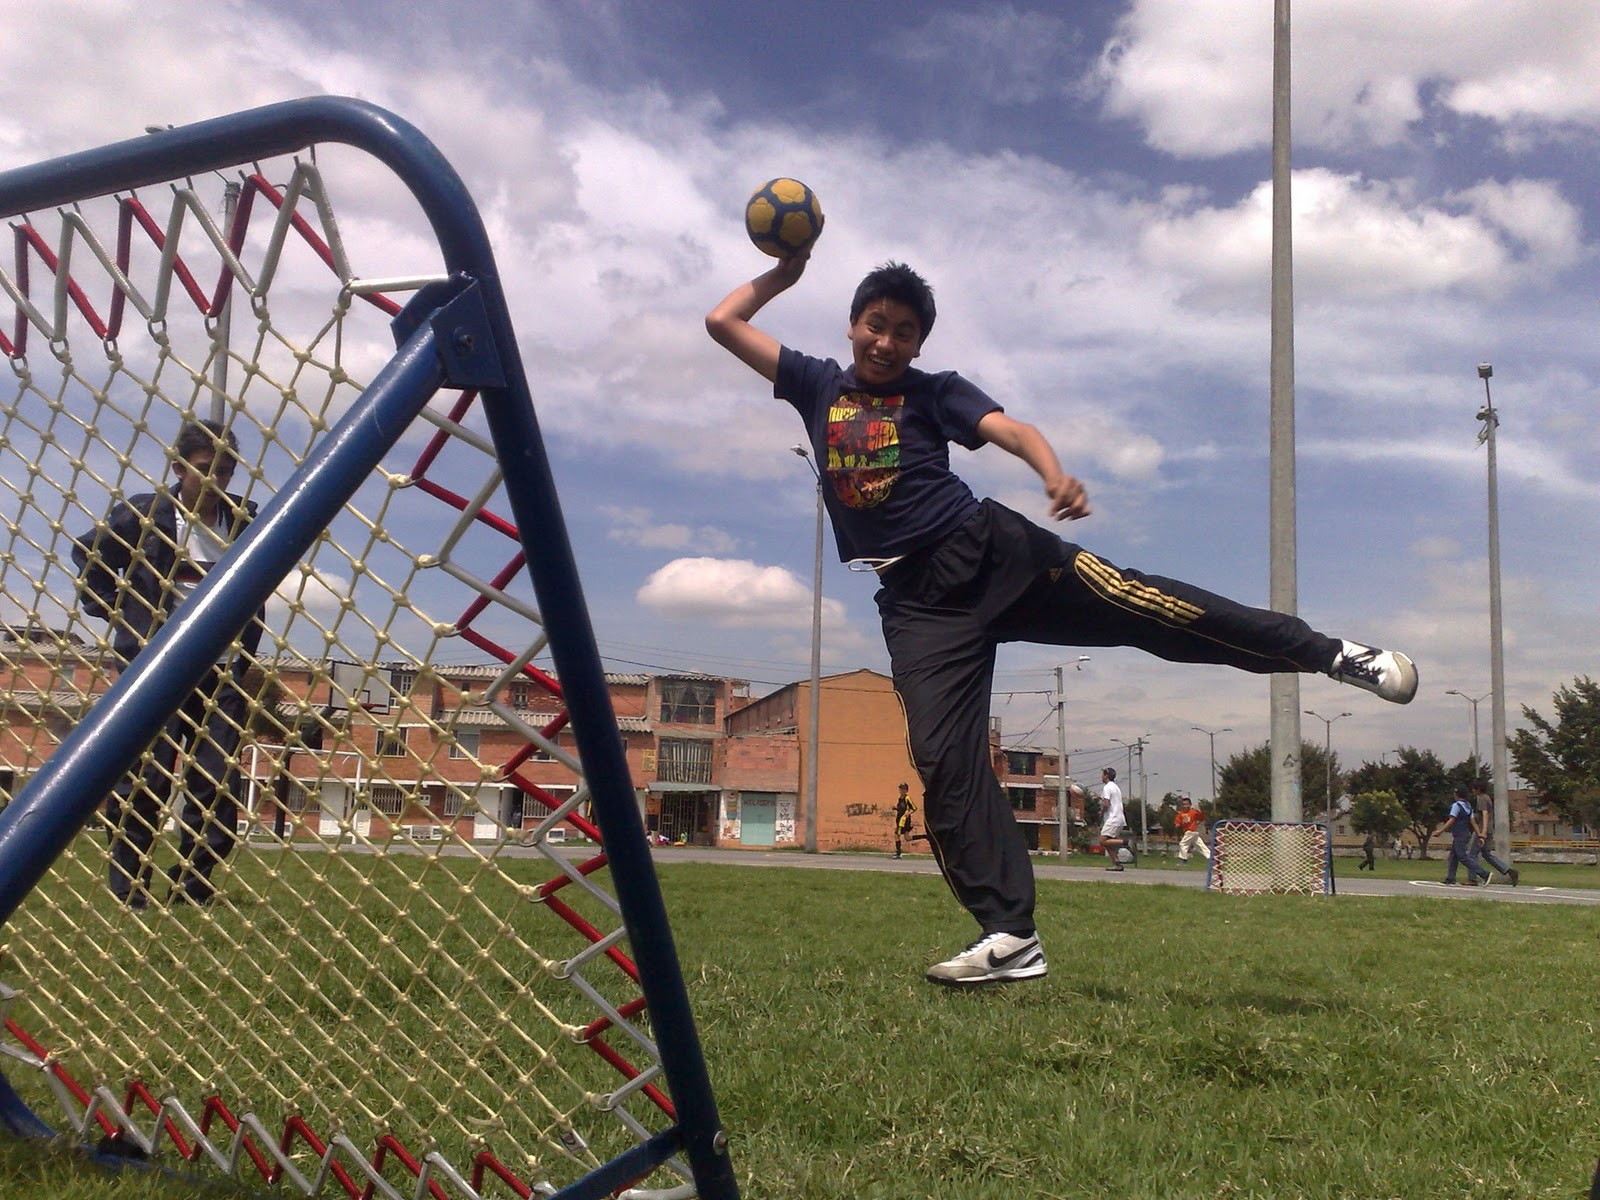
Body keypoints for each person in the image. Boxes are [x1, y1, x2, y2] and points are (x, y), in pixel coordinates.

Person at [705, 254, 1418, 988]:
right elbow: (723, 321)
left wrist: (1050, 472)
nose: (885, 342)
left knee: (1150, 611)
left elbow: (1011, 429)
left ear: (920, 344)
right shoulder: (816, 383)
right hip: (916, 606)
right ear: (853, 325)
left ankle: (1334, 655)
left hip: (990, 553)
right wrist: (786, 272)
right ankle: (1010, 934)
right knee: (943, 764)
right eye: (875, 325)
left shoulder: (933, 392)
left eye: (904, 332)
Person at [73, 420, 263, 908]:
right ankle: (129, 889)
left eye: (225, 471)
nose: (215, 480)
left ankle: (193, 887)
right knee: (147, 778)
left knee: (217, 780)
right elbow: (87, 553)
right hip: (152, 668)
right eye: (205, 469)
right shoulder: (146, 514)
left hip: (219, 670)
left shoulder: (244, 521)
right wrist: (118, 608)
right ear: (179, 468)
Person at [1435, 785, 1490, 887]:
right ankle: (1450, 878)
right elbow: (1473, 822)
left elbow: (1452, 819)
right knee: (1453, 857)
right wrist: (1480, 835)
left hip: (1460, 835)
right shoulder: (1468, 805)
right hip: (1464, 834)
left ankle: (1484, 874)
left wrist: (1440, 831)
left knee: (1463, 857)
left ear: (1456, 795)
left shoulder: (1456, 806)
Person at [1471, 781, 1519, 886]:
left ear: (1478, 789)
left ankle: (1472, 878)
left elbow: (1485, 815)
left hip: (1482, 830)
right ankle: (1509, 871)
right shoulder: (1487, 798)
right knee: (1486, 854)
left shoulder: (1482, 799)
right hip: (1488, 829)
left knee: (1472, 854)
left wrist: (1482, 832)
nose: (1472, 791)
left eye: (1474, 788)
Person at [1097, 767, 1131, 872]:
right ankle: (1117, 864)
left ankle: (1125, 842)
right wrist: (1100, 798)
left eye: (1103, 774)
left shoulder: (1107, 787)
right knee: (1109, 843)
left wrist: (1101, 813)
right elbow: (1111, 801)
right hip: (1119, 818)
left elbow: (1106, 804)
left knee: (1102, 841)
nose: (1101, 776)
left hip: (1113, 818)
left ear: (1106, 775)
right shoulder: (1115, 787)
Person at [1172, 796, 1209, 864]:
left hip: (1191, 831)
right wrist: (1177, 825)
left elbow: (1201, 818)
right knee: (1200, 845)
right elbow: (1178, 822)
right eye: (1183, 804)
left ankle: (1183, 859)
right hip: (1190, 833)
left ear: (1190, 805)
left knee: (1183, 844)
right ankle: (1210, 857)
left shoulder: (1193, 812)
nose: (1185, 806)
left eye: (1186, 804)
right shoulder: (1181, 814)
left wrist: (1200, 812)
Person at [893, 781, 917, 858]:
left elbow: (914, 808)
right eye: (901, 789)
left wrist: (908, 813)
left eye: (903, 789)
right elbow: (901, 808)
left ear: (906, 790)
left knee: (896, 835)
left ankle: (898, 853)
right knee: (907, 838)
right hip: (900, 819)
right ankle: (924, 836)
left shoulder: (907, 798)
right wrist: (896, 808)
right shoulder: (900, 798)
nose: (902, 791)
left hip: (903, 821)